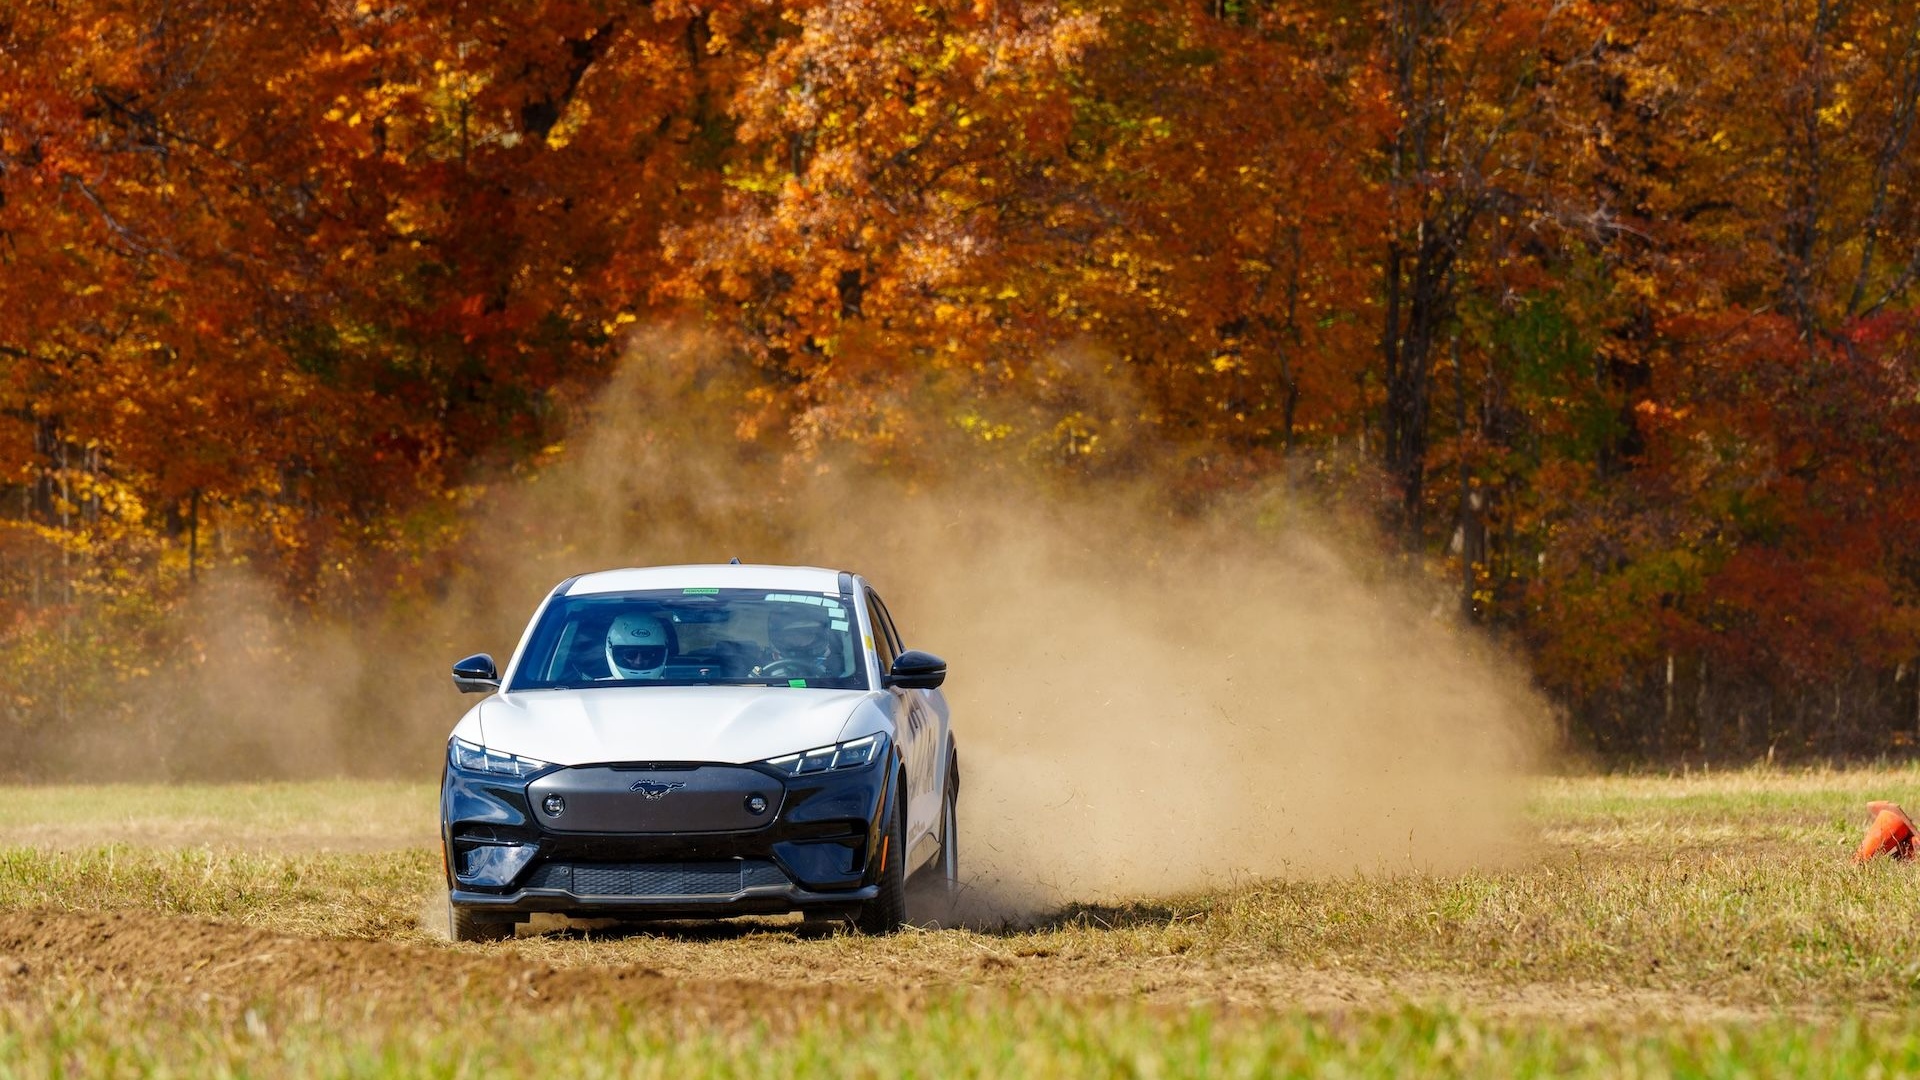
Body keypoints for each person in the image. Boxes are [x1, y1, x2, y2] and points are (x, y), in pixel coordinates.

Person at [765, 604, 837, 675]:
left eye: (807, 634)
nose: (800, 639)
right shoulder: (764, 673)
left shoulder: (839, 670)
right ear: (781, 638)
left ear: (818, 636)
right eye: (792, 634)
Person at [604, 612, 671, 680]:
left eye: (647, 654)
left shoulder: (675, 686)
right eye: (630, 654)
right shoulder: (596, 689)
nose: (638, 662)